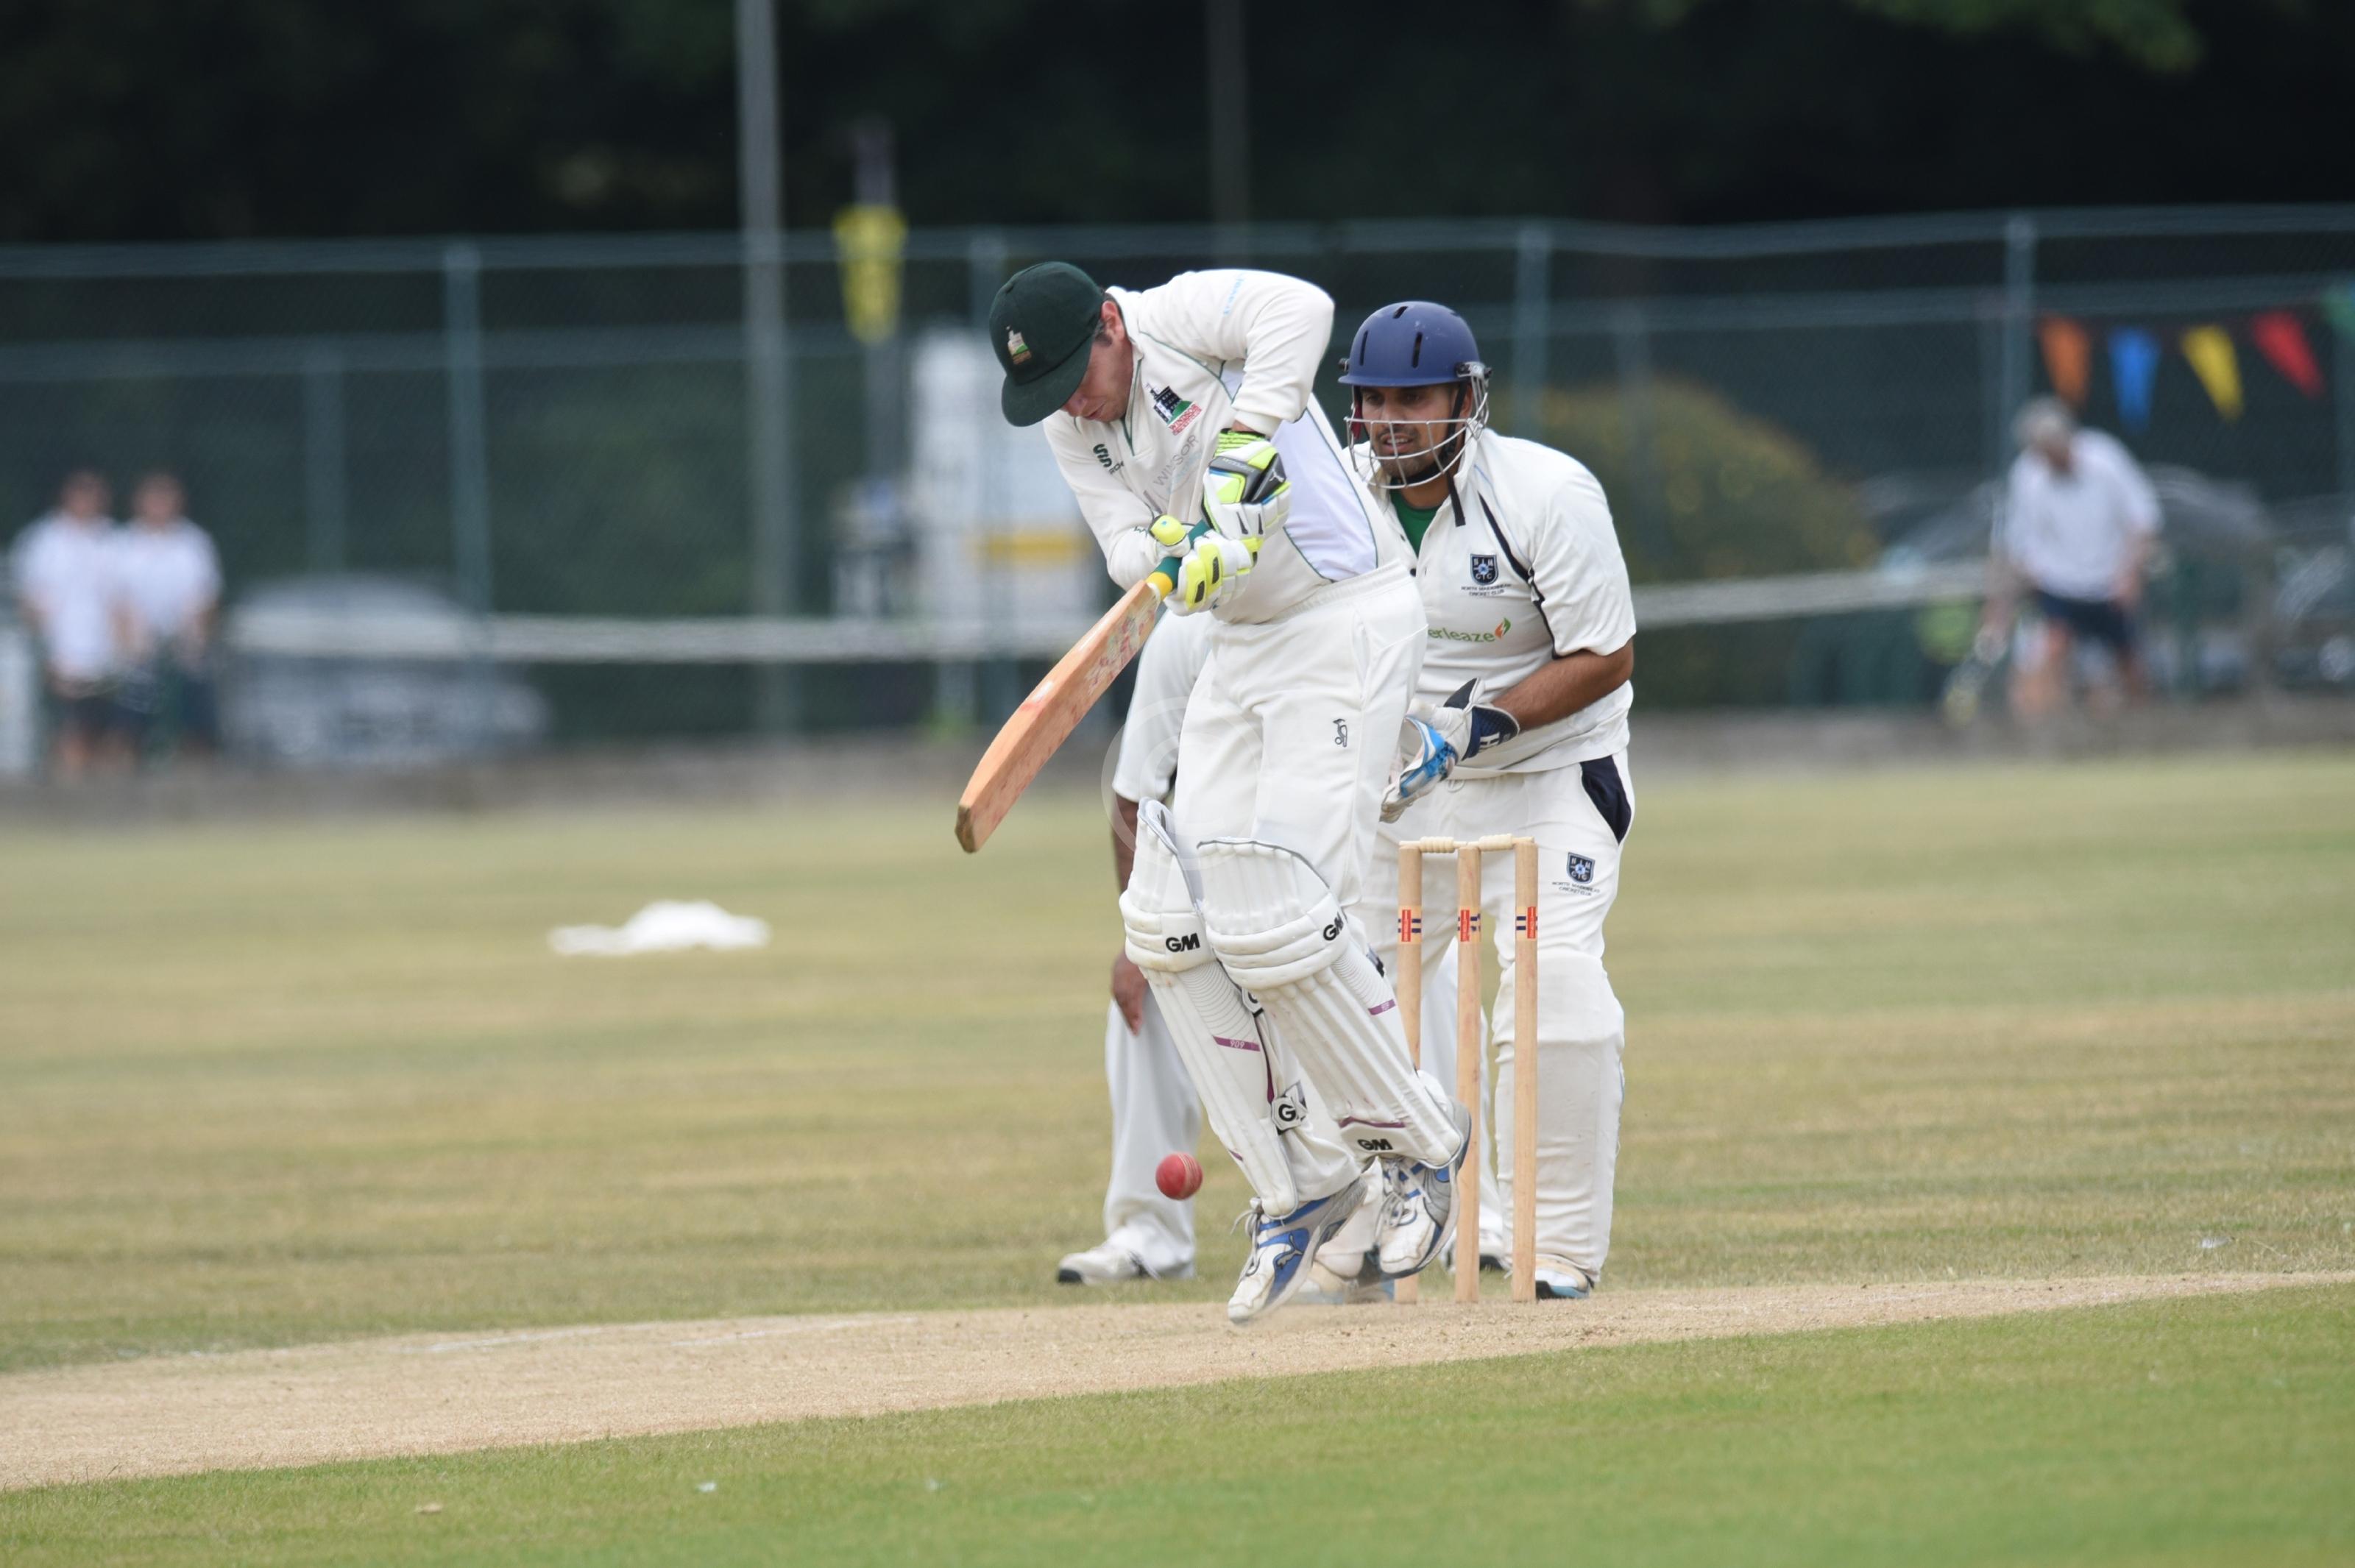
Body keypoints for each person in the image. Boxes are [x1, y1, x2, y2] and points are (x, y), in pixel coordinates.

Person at [991, 262, 1465, 1324]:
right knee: (1171, 919)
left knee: (1286, 910)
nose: (1076, 402)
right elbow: (1120, 535)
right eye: (1053, 391)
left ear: (1113, 325)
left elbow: (1302, 310)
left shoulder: (1178, 317)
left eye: (1081, 371)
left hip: (1343, 618)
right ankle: (1298, 1183)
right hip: (1240, 640)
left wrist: (1250, 436)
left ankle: (1417, 1149)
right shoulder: (1073, 421)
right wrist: (1170, 556)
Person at [1334, 300, 1639, 1302]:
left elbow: (1606, 653)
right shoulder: (1337, 499)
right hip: (1400, 788)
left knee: (1551, 987)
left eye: (1414, 397)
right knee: (1344, 993)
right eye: (1373, 397)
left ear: (1467, 397)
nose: (1391, 419)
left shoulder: (1549, 492)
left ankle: (1554, 1248)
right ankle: (1392, 1218)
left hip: (1550, 773)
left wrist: (1478, 724)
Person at [1056, 609, 1212, 1285]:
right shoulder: (1187, 632)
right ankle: (1150, 1228)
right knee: (1144, 988)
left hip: (1339, 875)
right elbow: (1134, 798)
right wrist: (1139, 937)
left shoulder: (1351, 605)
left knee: (1422, 977)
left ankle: (1431, 1219)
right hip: (1211, 874)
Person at [1986, 398, 2160, 718]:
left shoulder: (2106, 459)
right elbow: (2019, 539)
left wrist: (2130, 574)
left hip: (2109, 581)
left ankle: (2145, 725)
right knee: (2053, 647)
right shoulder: (2028, 474)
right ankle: (2046, 729)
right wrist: (2007, 597)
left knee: (2128, 657)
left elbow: (2142, 519)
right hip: (2059, 582)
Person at [9, 470, 132, 779]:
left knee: (108, 730)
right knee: (68, 728)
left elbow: (121, 602)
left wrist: (124, 653)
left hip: (105, 654)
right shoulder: (43, 541)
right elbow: (29, 602)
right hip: (60, 652)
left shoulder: (113, 541)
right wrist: (44, 650)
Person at [113, 471, 223, 762]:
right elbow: (117, 600)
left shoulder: (195, 543)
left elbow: (207, 598)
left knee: (196, 728)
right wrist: (131, 645)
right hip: (138, 656)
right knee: (130, 729)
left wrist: (193, 640)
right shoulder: (124, 544)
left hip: (185, 652)